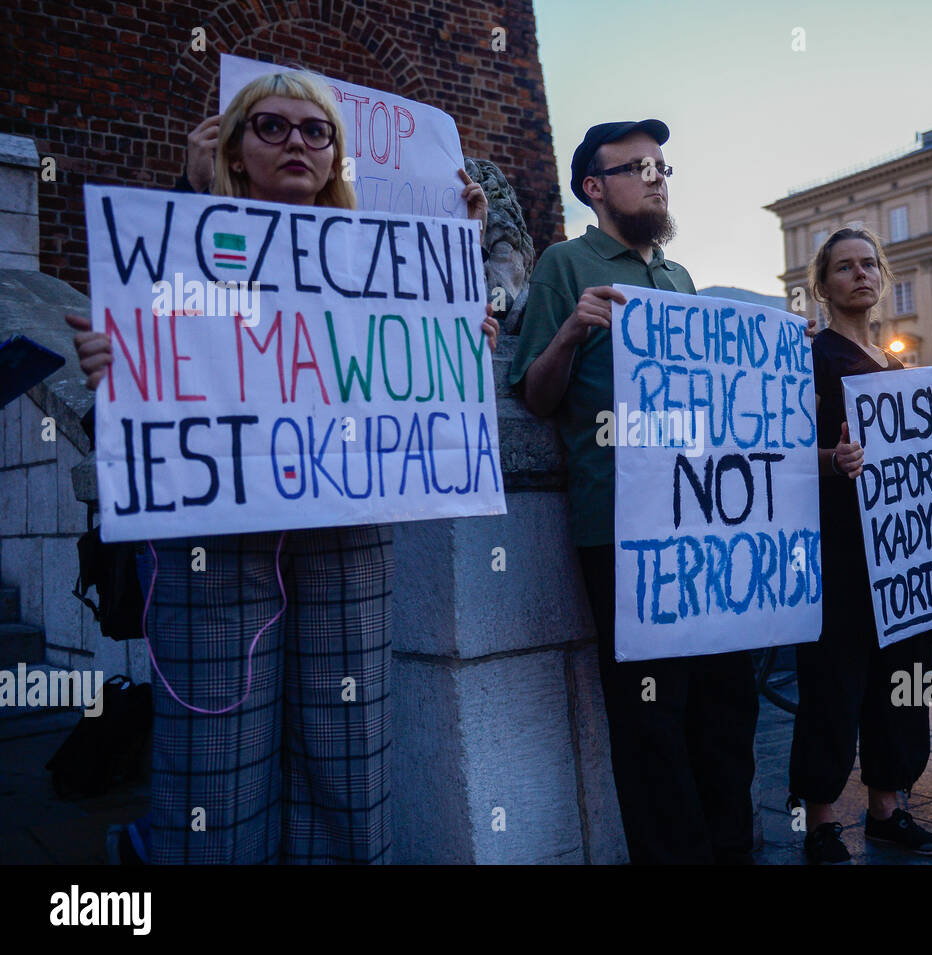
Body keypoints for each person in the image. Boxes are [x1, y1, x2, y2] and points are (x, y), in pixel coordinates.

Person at [67, 70, 496, 863]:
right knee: (215, 761)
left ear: (336, 156)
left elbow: (406, 379)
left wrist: (458, 343)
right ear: (232, 147)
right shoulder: (171, 250)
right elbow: (140, 403)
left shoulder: (382, 268)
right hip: (213, 545)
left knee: (350, 748)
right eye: (271, 127)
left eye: (316, 130)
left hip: (348, 534)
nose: (297, 141)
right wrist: (111, 365)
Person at [509, 119, 760, 864]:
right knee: (652, 715)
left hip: (707, 521)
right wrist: (569, 334)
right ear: (595, 186)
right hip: (622, 528)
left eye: (661, 165)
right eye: (635, 167)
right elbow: (537, 396)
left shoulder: (680, 279)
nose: (655, 177)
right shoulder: (566, 263)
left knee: (727, 705)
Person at [787, 228, 932, 863]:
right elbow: (773, 449)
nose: (860, 275)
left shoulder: (896, 364)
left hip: (902, 555)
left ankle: (888, 807)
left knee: (905, 679)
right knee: (833, 682)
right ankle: (822, 820)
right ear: (822, 286)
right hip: (839, 552)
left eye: (869, 265)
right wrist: (831, 459)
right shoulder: (810, 356)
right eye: (844, 267)